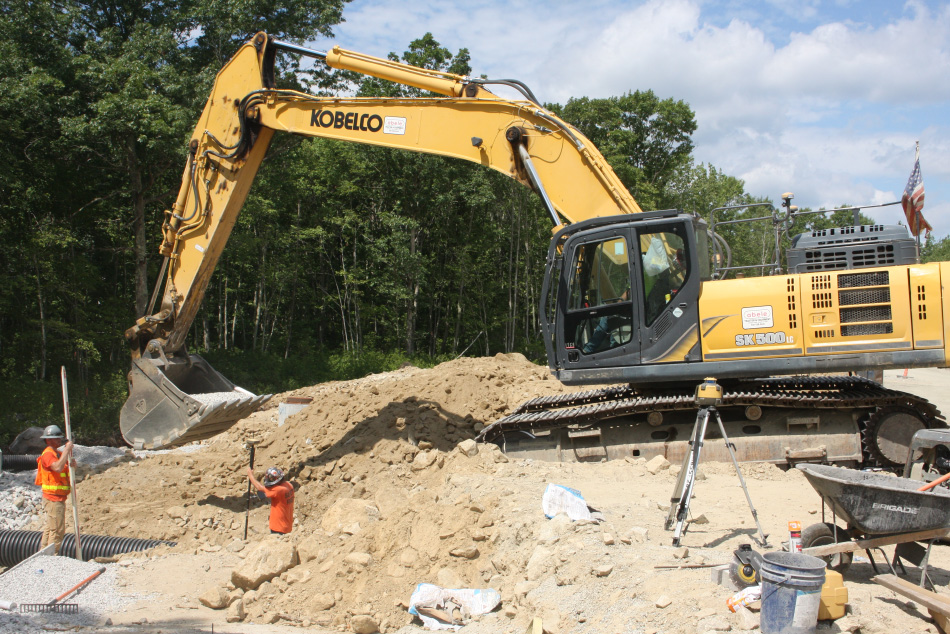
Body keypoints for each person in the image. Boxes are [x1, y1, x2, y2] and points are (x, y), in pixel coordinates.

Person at [34, 425, 74, 555]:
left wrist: (72, 465)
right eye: (56, 438)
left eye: (59, 438)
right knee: (57, 530)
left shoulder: (58, 454)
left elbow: (64, 469)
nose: (59, 441)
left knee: (51, 528)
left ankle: (44, 554)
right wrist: (67, 450)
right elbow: (57, 468)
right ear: (48, 440)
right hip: (52, 499)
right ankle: (51, 556)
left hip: (58, 497)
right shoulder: (48, 455)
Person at [247, 466, 294, 534]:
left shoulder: (278, 490)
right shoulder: (289, 485)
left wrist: (250, 476)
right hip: (287, 526)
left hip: (278, 527)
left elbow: (260, 488)